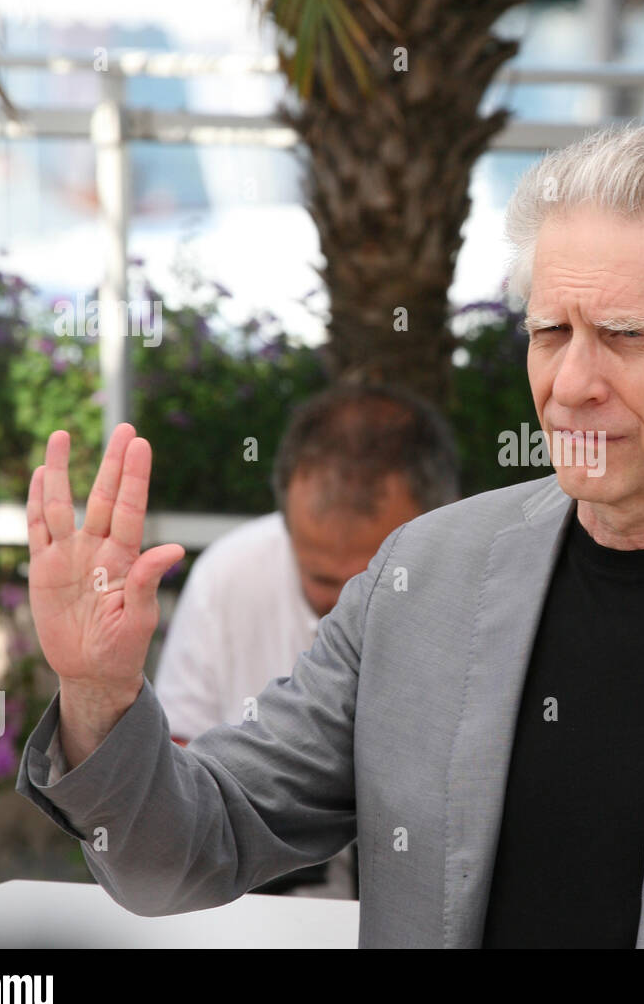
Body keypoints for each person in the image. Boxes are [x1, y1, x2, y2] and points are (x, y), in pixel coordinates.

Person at [16, 122, 644, 948]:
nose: (572, 382)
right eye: (549, 331)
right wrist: (100, 693)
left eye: (624, 334)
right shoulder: (424, 574)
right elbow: (186, 850)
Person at [153, 383, 459, 898]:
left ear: (439, 526)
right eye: (321, 579)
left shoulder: (493, 591)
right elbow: (177, 771)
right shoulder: (228, 575)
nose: (346, 607)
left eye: (371, 577)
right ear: (287, 526)